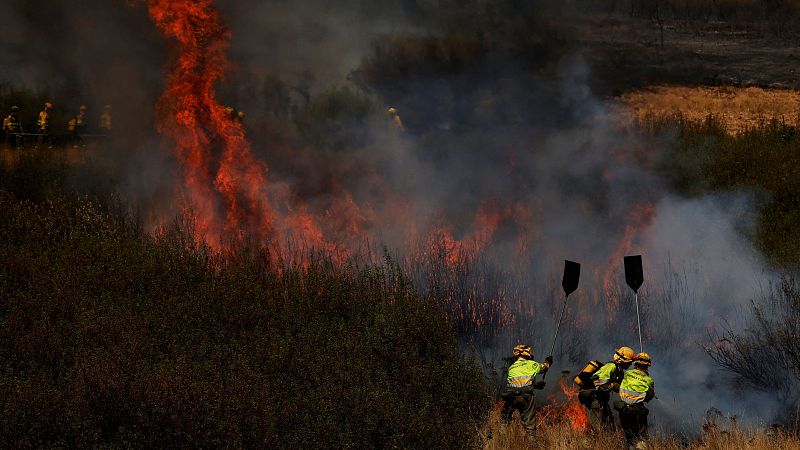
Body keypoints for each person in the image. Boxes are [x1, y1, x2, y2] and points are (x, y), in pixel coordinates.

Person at [576, 346, 636, 433]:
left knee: (609, 426)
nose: (630, 364)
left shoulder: (619, 371)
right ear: (623, 360)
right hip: (594, 398)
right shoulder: (611, 366)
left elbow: (618, 388)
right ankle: (591, 444)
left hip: (601, 400)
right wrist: (613, 385)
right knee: (598, 428)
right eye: (630, 362)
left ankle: (604, 442)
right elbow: (600, 384)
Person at [500, 344, 552, 434]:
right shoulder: (531, 364)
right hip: (526, 397)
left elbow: (518, 384)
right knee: (529, 426)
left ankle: (501, 440)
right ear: (528, 354)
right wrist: (548, 361)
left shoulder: (511, 367)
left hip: (511, 396)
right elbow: (544, 367)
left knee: (504, 420)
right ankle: (531, 443)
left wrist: (535, 386)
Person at [615, 352, 655, 449]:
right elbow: (649, 397)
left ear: (635, 363)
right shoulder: (649, 380)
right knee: (642, 436)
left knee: (629, 435)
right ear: (647, 365)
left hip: (624, 409)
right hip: (638, 410)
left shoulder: (627, 374)